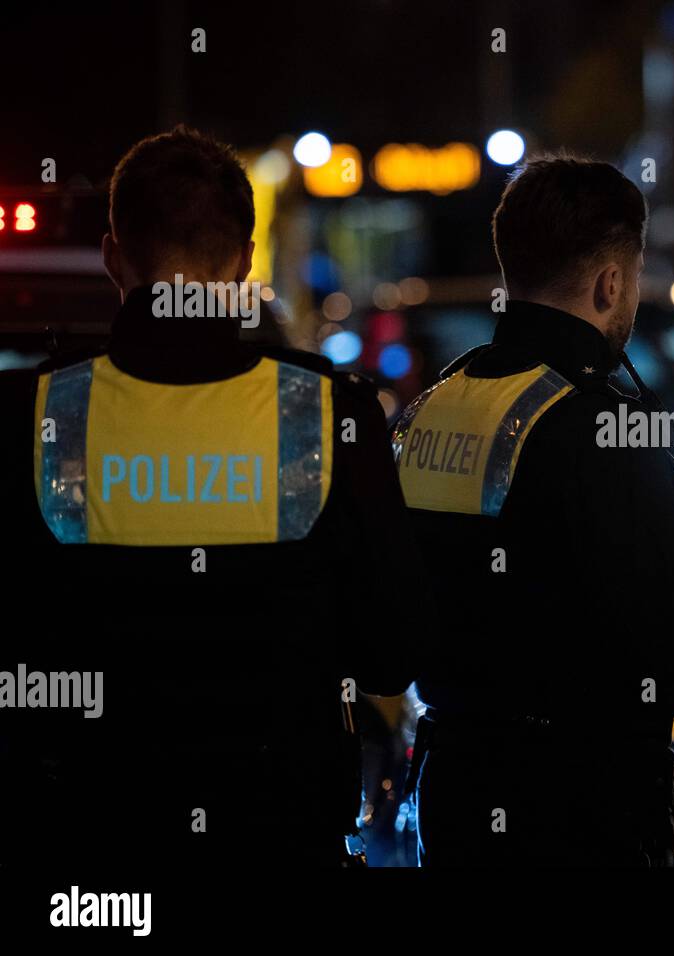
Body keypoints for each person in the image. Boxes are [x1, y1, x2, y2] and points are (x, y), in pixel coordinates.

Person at [0, 126, 418, 867]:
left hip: (89, 849)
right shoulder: (328, 414)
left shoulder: (34, 416)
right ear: (245, 265)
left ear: (112, 257)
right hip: (279, 839)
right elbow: (388, 654)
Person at [393, 154, 674, 866]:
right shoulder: (600, 427)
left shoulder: (436, 406)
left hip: (454, 782)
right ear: (610, 281)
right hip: (579, 805)